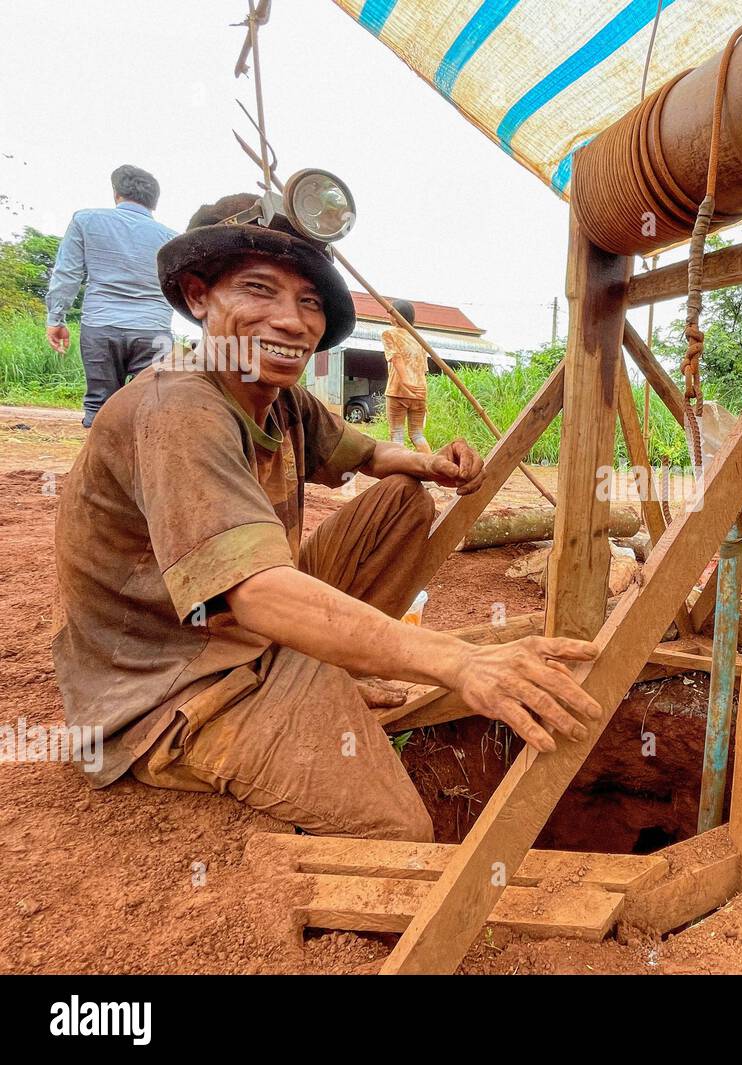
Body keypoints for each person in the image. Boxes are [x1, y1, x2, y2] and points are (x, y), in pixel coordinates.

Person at [52, 191, 601, 842]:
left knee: (403, 499)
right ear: (198, 296)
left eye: (309, 301)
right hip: (176, 687)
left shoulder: (279, 398)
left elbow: (365, 451)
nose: (291, 321)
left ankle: (334, 666)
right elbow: (255, 594)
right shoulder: (178, 409)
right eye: (260, 289)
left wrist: (430, 463)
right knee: (396, 829)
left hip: (250, 637)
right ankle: (289, 697)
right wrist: (456, 662)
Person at [45, 165, 178, 427]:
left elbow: (67, 274)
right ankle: (145, 467)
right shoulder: (171, 239)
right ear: (154, 202)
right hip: (154, 331)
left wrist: (56, 319)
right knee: (152, 405)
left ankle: (100, 468)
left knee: (100, 404)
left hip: (101, 327)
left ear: (116, 193)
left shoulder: (86, 220)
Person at [382, 298, 431, 452]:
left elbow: (396, 358)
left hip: (399, 391)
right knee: (417, 434)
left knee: (397, 435)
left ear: (397, 315)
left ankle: (400, 473)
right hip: (420, 393)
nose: (388, 316)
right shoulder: (418, 338)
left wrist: (406, 382)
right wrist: (418, 391)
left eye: (390, 313)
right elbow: (423, 369)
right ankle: (432, 470)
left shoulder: (389, 334)